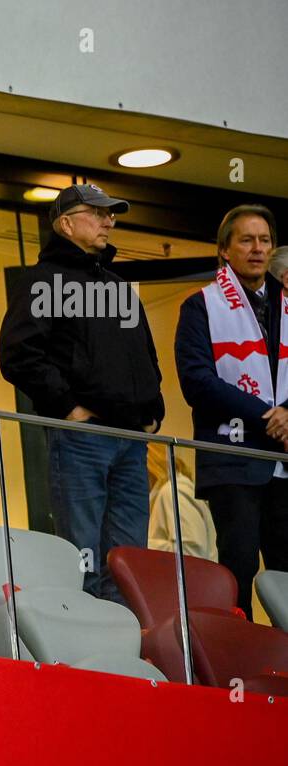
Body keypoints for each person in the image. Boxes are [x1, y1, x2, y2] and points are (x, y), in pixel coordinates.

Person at [0, 183, 165, 604]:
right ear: (66, 223)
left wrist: (152, 412)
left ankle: (119, 662)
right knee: (84, 560)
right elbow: (19, 356)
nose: (109, 221)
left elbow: (146, 355)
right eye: (98, 213)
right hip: (83, 439)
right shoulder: (41, 282)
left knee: (128, 564)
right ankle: (82, 662)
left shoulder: (118, 286)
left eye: (111, 214)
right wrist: (69, 409)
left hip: (131, 441)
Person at [175, 205, 287, 618]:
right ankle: (236, 670)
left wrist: (286, 413)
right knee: (237, 571)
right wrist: (269, 416)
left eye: (265, 240)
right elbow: (197, 382)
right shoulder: (200, 306)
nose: (257, 249)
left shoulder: (286, 303)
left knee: (286, 577)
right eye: (246, 240)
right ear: (224, 250)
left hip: (284, 465)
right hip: (233, 461)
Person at [145, 444, 218, 561]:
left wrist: (140, 545)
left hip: (194, 577)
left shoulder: (173, 491)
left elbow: (191, 553)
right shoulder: (172, 491)